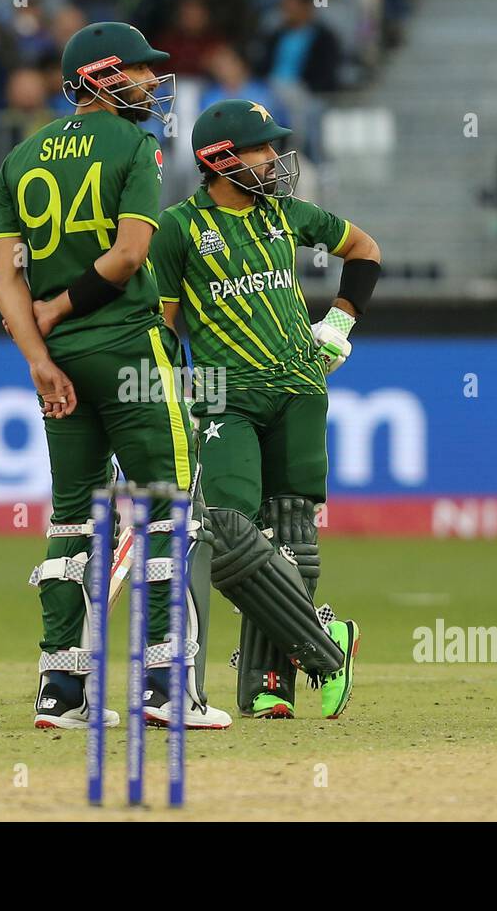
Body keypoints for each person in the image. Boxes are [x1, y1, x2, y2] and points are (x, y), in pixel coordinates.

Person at [0, 22, 230, 730]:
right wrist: (64, 304)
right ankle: (164, 689)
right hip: (127, 347)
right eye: (141, 72)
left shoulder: (20, 157)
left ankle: (61, 694)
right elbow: (128, 257)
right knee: (167, 511)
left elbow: (3, 275)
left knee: (70, 520)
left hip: (57, 363)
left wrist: (38, 355)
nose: (154, 84)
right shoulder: (134, 146)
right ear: (99, 77)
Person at [148, 99, 378, 719]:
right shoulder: (178, 228)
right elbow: (165, 327)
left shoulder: (285, 213)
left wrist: (339, 322)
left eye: (275, 148)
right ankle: (327, 646)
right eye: (261, 150)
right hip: (224, 393)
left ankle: (267, 683)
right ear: (220, 160)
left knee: (294, 538)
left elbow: (365, 250)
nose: (275, 160)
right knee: (224, 528)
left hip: (301, 382)